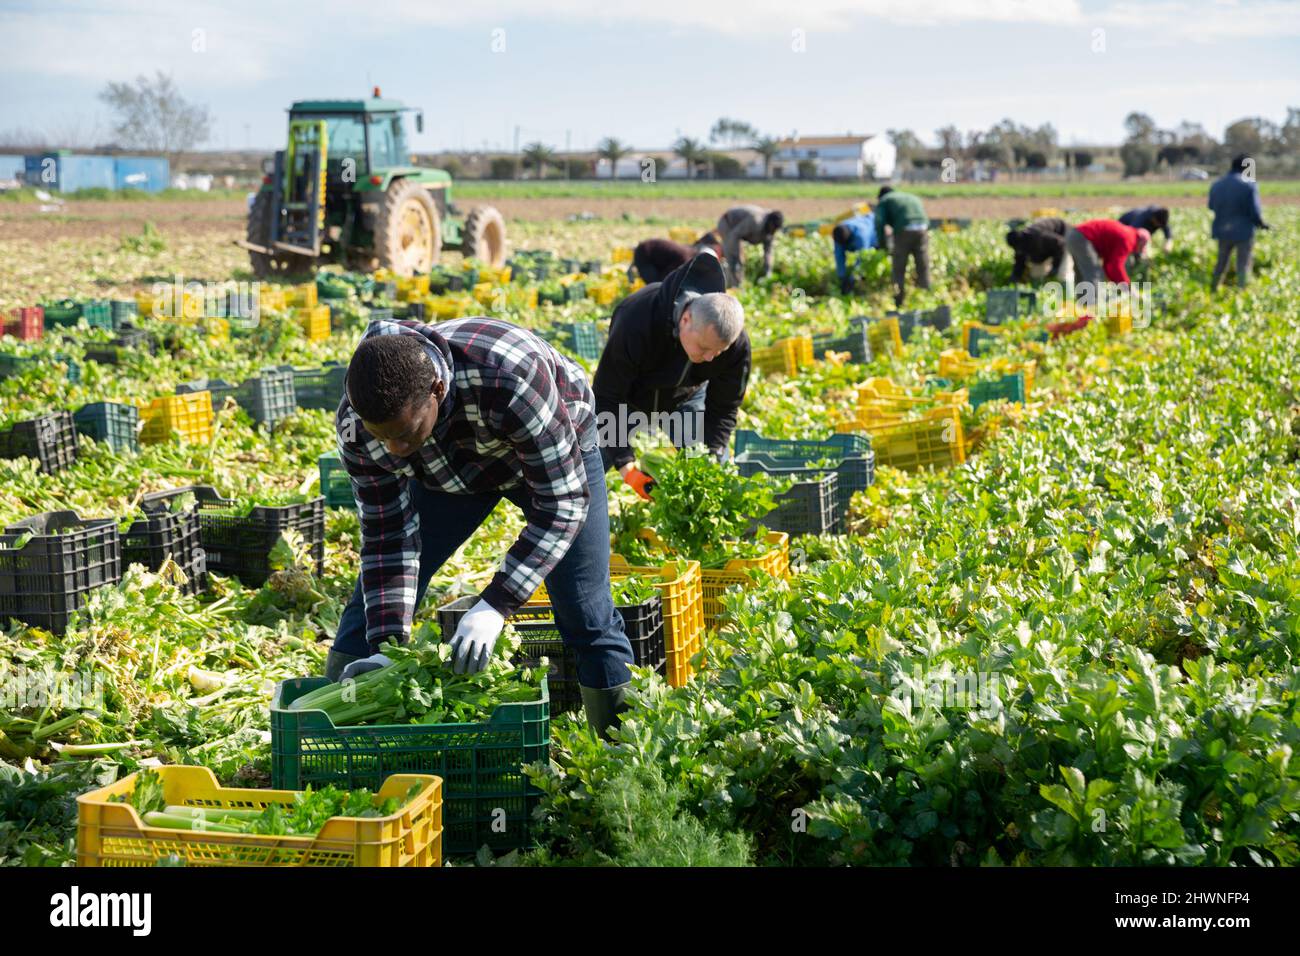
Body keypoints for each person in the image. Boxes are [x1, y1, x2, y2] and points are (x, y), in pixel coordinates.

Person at [329, 316, 636, 738]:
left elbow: (562, 503)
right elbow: (387, 537)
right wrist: (388, 649)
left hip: (555, 458)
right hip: (448, 470)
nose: (393, 448)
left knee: (585, 613)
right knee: (369, 611)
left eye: (404, 433)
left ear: (437, 388)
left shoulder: (508, 376)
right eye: (381, 436)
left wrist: (496, 604)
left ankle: (622, 757)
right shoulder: (361, 423)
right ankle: (336, 735)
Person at [592, 251, 749, 500]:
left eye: (719, 352)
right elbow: (606, 396)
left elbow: (725, 407)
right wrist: (626, 465)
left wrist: (713, 450)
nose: (710, 358)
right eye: (704, 348)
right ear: (685, 319)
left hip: (685, 400)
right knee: (583, 474)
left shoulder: (735, 344)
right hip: (629, 401)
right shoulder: (638, 320)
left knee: (710, 478)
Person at [1209, 154, 1269, 290]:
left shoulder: (1217, 184)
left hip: (1222, 230)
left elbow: (1211, 206)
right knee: (1243, 264)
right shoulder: (1249, 185)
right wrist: (1261, 224)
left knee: (1221, 263)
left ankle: (1213, 289)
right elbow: (1254, 212)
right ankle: (1241, 292)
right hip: (1243, 232)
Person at [872, 185, 930, 308]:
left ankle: (898, 302)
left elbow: (879, 222)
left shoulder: (885, 200)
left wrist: (883, 246)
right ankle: (926, 299)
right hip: (923, 228)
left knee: (898, 268)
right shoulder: (910, 196)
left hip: (904, 229)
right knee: (922, 266)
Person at [1064, 218, 1149, 291]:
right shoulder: (1129, 240)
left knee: (1082, 274)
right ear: (1141, 243)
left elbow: (1109, 264)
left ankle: (1082, 306)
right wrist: (1128, 287)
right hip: (1082, 238)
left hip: (1073, 235)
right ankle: (1092, 306)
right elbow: (1116, 266)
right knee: (1095, 274)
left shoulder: (1127, 233)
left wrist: (1113, 280)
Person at [715, 205, 784, 285]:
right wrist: (736, 256)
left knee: (740, 261)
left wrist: (768, 271)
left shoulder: (770, 230)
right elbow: (734, 235)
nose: (774, 231)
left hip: (739, 230)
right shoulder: (755, 221)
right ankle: (733, 285)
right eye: (773, 228)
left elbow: (768, 251)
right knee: (734, 260)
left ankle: (739, 283)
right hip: (727, 224)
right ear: (770, 223)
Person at [630, 231, 723, 285]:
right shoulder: (685, 259)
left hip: (649, 250)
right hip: (645, 254)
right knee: (656, 286)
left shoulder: (690, 251)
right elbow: (667, 277)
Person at [1006, 217, 1071, 283]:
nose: (1018, 250)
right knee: (1036, 276)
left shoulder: (1037, 236)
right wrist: (1015, 276)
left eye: (1018, 248)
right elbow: (1019, 262)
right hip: (1050, 249)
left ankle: (1066, 288)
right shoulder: (1020, 245)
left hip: (1065, 236)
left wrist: (1055, 266)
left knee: (1062, 274)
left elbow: (1060, 243)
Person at [831, 212, 877, 295]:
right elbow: (839, 255)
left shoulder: (862, 236)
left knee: (872, 257)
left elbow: (861, 259)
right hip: (859, 223)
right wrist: (842, 277)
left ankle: (865, 285)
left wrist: (853, 279)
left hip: (873, 227)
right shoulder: (838, 232)